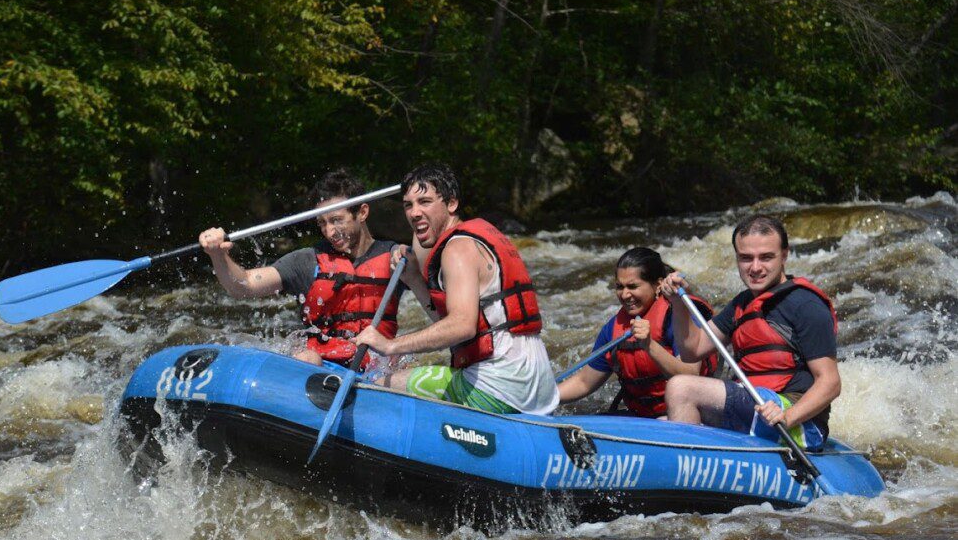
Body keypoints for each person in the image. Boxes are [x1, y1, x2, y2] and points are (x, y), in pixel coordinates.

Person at [352, 163, 559, 416]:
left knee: (378, 383)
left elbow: (462, 326)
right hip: (538, 390)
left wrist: (390, 345)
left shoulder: (457, 249)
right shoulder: (479, 238)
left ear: (451, 203)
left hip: (499, 388)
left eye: (425, 202)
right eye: (408, 204)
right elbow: (453, 323)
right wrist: (415, 279)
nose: (414, 213)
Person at [198, 169, 424, 369]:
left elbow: (437, 300)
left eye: (336, 220)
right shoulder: (307, 261)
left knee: (407, 368)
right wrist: (218, 255)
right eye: (322, 223)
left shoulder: (397, 258)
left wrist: (413, 263)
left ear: (362, 212)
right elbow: (244, 286)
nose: (329, 232)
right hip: (321, 366)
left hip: (376, 367)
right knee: (307, 359)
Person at [659, 214, 839, 448]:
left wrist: (787, 417)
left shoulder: (806, 306)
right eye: (746, 258)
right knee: (663, 423)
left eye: (766, 257)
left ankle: (688, 474)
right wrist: (678, 305)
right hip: (756, 407)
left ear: (784, 255)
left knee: (681, 388)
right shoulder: (742, 304)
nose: (755, 268)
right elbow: (694, 349)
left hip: (798, 423)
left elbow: (831, 382)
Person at [558, 247, 717, 417]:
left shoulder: (678, 316)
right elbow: (584, 382)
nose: (625, 295)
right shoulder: (614, 328)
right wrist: (544, 398)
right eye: (620, 287)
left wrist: (649, 345)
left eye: (633, 286)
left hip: (688, 415)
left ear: (657, 285)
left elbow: (690, 375)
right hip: (641, 418)